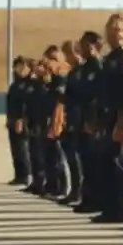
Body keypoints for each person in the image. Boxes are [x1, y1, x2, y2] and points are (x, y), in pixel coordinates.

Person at [93, 14, 123, 225]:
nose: (117, 35)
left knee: (119, 163)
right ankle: (110, 208)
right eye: (113, 30)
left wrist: (122, 123)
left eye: (122, 30)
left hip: (119, 118)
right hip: (106, 117)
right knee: (106, 163)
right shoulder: (108, 59)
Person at [72, 32, 105, 215]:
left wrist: (93, 121)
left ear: (92, 46)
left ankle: (95, 200)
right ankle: (88, 198)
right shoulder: (83, 68)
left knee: (93, 163)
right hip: (81, 119)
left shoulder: (98, 67)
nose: (81, 48)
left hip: (92, 122)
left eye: (84, 44)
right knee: (86, 162)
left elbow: (98, 97)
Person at [58, 40, 85, 205]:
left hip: (80, 117)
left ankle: (79, 191)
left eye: (68, 53)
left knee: (78, 157)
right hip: (71, 116)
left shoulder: (82, 70)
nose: (66, 57)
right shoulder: (73, 72)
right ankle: (75, 190)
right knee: (70, 154)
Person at [41, 55, 70, 200]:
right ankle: (52, 186)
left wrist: (56, 125)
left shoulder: (60, 81)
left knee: (59, 158)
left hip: (57, 125)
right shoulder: (50, 83)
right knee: (50, 158)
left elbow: (59, 107)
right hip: (49, 123)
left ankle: (63, 188)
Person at [22, 59, 49, 196]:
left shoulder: (46, 85)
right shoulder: (34, 84)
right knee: (33, 153)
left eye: (39, 67)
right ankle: (36, 181)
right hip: (33, 122)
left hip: (41, 122)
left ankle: (43, 182)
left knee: (41, 155)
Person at [6, 56, 32, 186]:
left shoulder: (26, 85)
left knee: (22, 149)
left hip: (21, 121)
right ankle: (19, 175)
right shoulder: (15, 85)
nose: (16, 70)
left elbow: (24, 104)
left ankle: (26, 174)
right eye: (15, 67)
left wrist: (20, 119)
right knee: (15, 150)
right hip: (12, 120)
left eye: (20, 67)